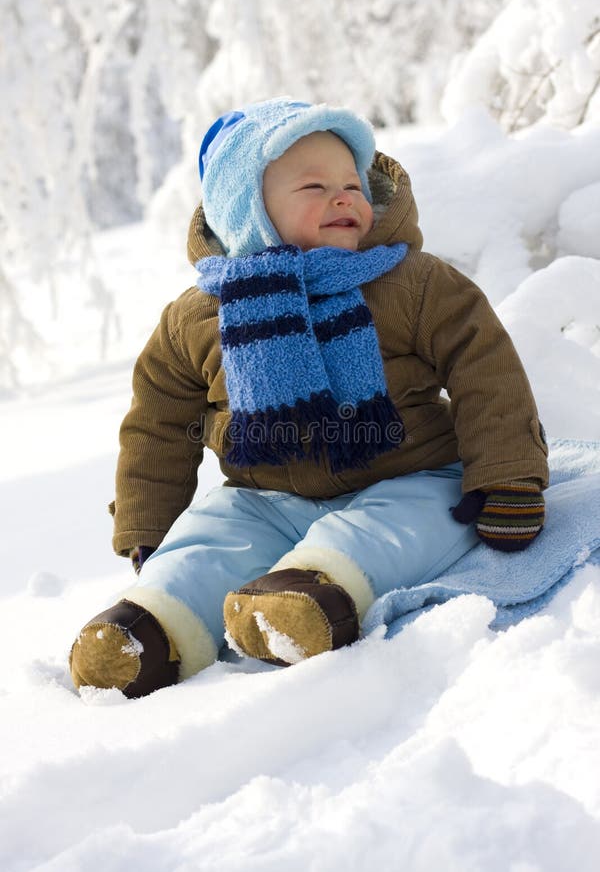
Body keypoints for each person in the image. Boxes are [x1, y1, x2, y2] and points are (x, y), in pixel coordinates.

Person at [69, 98, 549, 698]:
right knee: (212, 537)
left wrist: (507, 476)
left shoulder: (411, 283)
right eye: (315, 186)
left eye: (352, 183)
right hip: (264, 495)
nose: (344, 197)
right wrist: (150, 526)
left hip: (408, 474)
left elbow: (486, 371)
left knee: (405, 524)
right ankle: (149, 630)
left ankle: (310, 594)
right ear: (249, 211)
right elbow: (157, 422)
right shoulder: (197, 318)